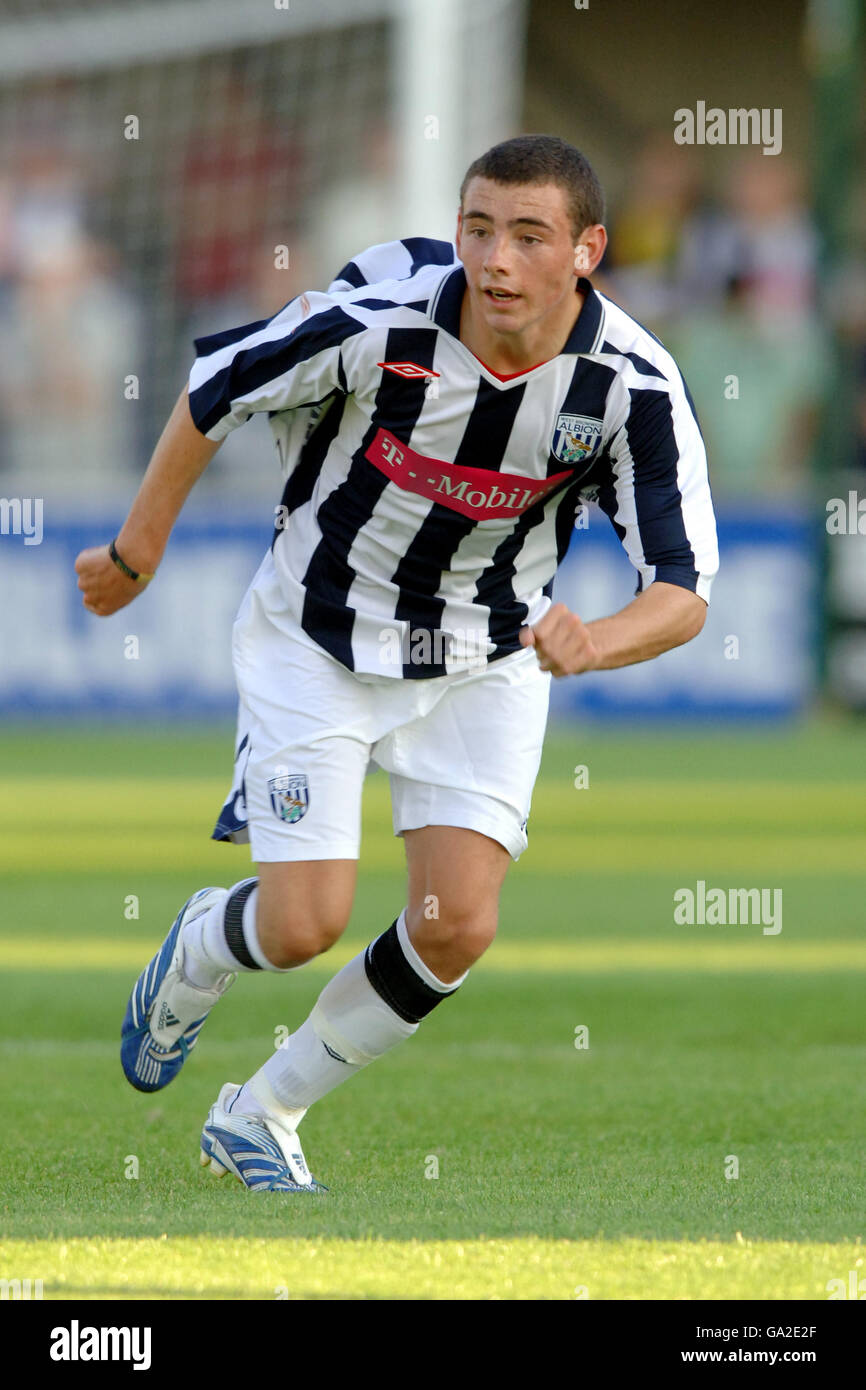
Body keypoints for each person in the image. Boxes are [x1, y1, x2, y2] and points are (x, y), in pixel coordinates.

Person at [74, 135, 718, 1193]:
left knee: (456, 924)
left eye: (527, 236)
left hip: (483, 654)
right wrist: (139, 552)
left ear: (587, 250)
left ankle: (264, 1112)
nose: (496, 260)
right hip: (318, 635)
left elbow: (685, 590)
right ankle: (200, 945)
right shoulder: (382, 323)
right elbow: (211, 389)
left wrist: (591, 640)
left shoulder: (630, 386)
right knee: (300, 925)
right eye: (478, 229)